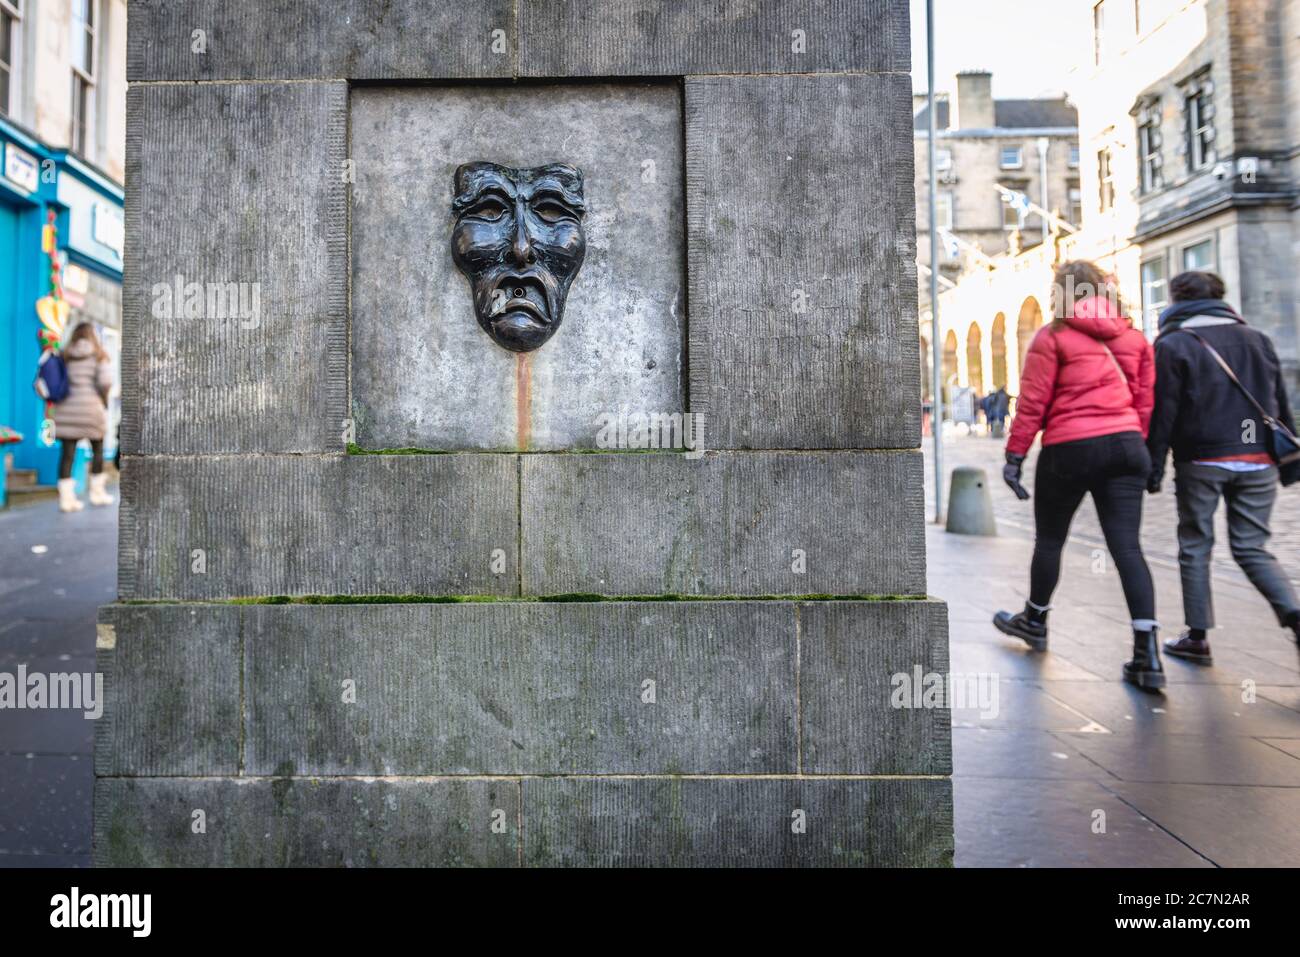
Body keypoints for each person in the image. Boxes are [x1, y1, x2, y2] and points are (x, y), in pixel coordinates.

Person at [993, 261, 1164, 690]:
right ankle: (1148, 654)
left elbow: (1032, 403)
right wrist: (1135, 446)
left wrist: (1015, 456)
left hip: (1070, 447)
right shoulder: (1134, 338)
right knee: (1128, 548)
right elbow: (1145, 402)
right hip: (1127, 444)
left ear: (1065, 293)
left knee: (1050, 540)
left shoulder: (1052, 337)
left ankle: (1035, 619)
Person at [1146, 271, 1300, 665]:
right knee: (1252, 547)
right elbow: (1279, 404)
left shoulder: (1174, 343)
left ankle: (1197, 637)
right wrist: (1290, 460)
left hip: (1202, 458)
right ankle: (1295, 615)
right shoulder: (1256, 338)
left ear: (1178, 301)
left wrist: (1155, 466)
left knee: (1195, 546)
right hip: (1257, 458)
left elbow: (1164, 411)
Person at [51, 322, 114, 513]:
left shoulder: (65, 355)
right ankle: (97, 494)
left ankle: (66, 499)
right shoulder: (98, 355)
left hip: (66, 410)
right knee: (98, 450)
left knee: (67, 455)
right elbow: (105, 381)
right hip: (91, 409)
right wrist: (103, 399)